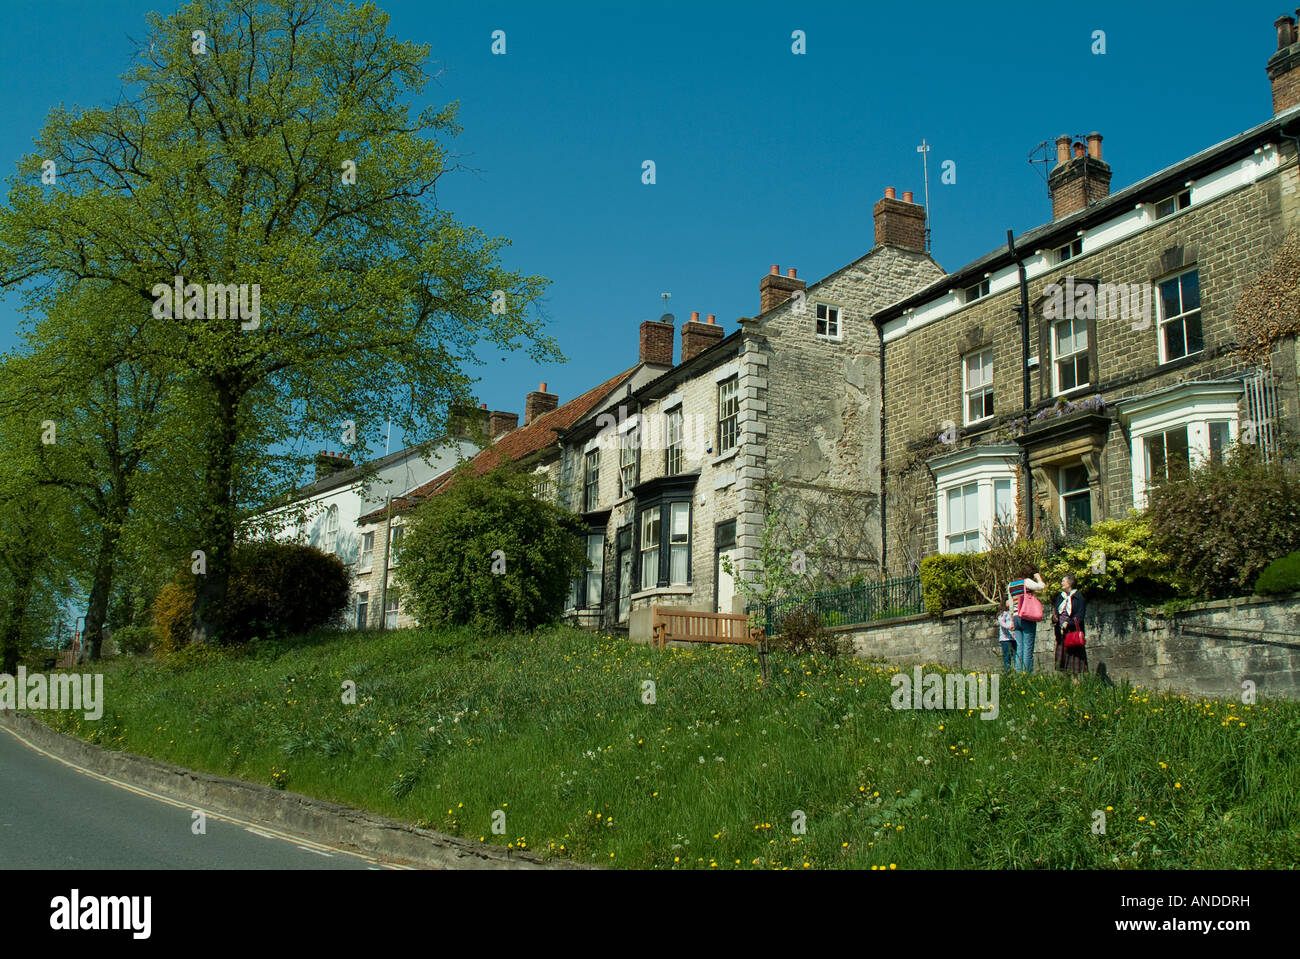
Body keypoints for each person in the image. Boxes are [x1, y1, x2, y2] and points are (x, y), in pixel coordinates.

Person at [1008, 571, 1047, 673]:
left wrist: (1012, 621)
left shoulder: (1010, 585)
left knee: (1019, 647)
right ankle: (1026, 674)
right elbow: (1041, 586)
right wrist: (1038, 577)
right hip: (1026, 616)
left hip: (1016, 618)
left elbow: (1011, 605)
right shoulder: (1026, 582)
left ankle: (1018, 673)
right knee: (1028, 648)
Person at [1053, 572, 1089, 683]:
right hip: (1061, 634)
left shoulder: (1078, 597)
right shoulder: (1060, 597)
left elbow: (1080, 615)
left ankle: (1075, 685)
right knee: (1063, 662)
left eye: (1063, 581)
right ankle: (1067, 685)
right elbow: (1056, 611)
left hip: (1072, 634)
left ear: (1070, 583)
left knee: (1074, 663)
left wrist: (1068, 623)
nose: (1061, 583)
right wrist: (1054, 618)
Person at [997, 600, 1017, 672]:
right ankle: (1007, 672)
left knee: (1016, 656)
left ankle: (1017, 671)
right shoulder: (1002, 614)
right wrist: (1010, 627)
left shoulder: (1014, 613)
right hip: (1005, 639)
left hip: (1014, 638)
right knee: (1007, 656)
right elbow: (1002, 623)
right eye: (1008, 601)